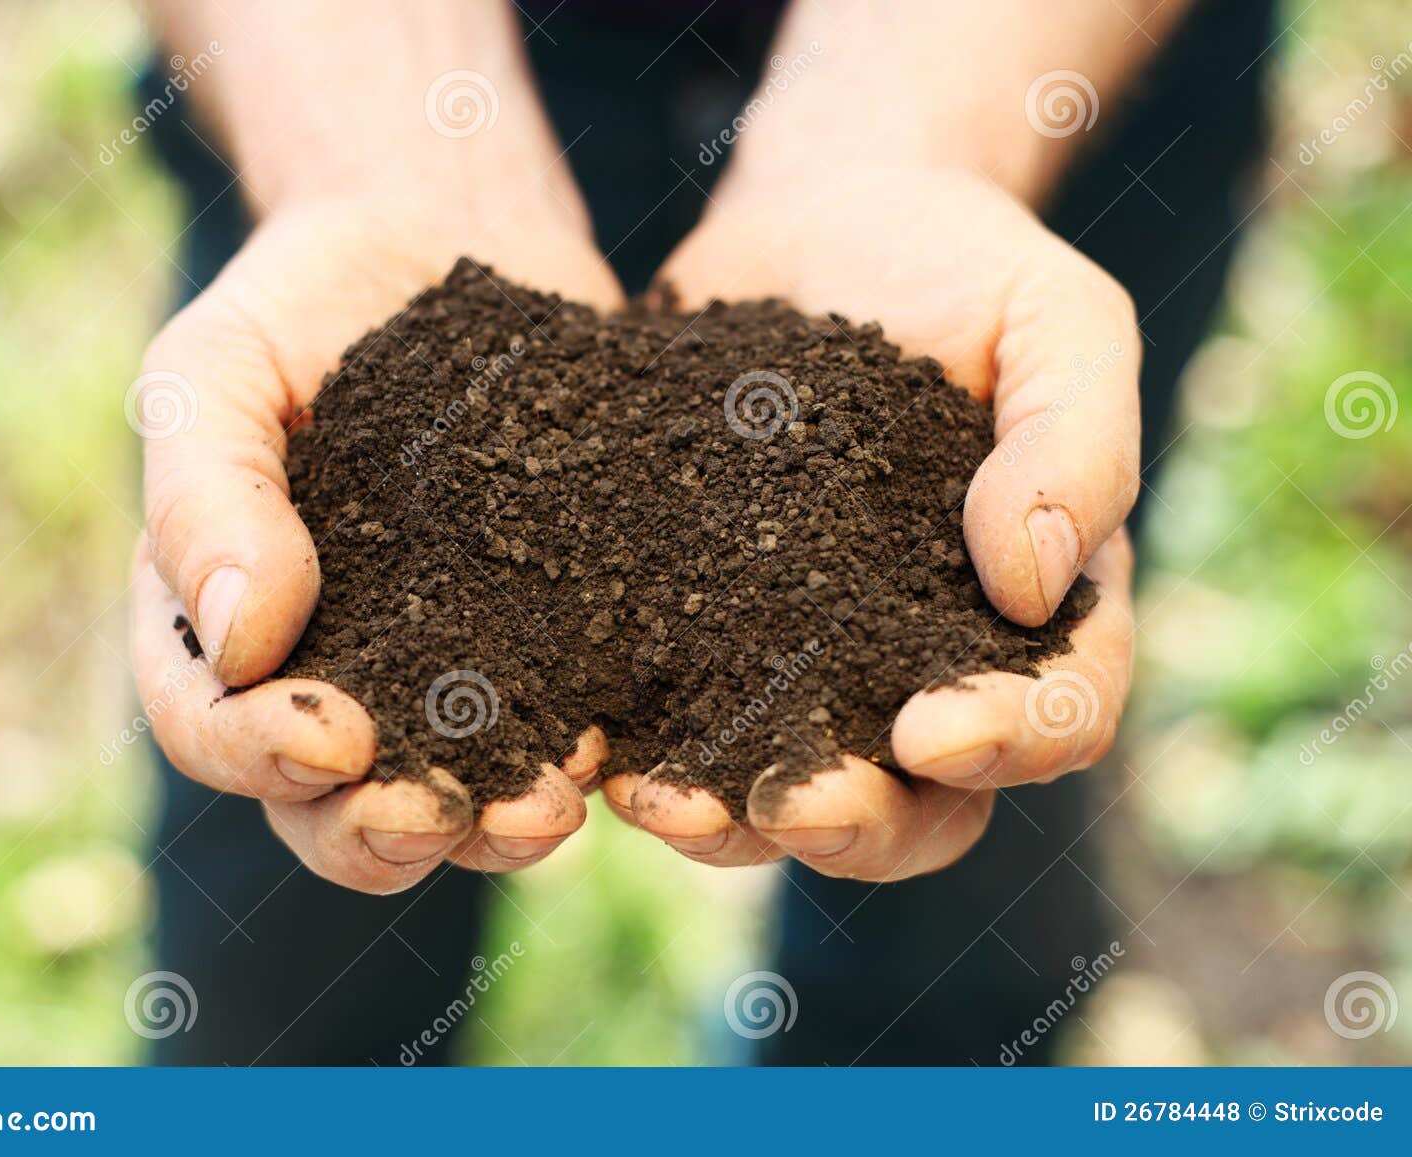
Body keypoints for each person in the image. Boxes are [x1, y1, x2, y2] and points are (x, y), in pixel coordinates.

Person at [135, 0, 1274, 1065]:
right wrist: (370, 157)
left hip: (1020, 75)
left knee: (955, 893)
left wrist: (909, 137)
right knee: (290, 924)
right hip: (369, 71)